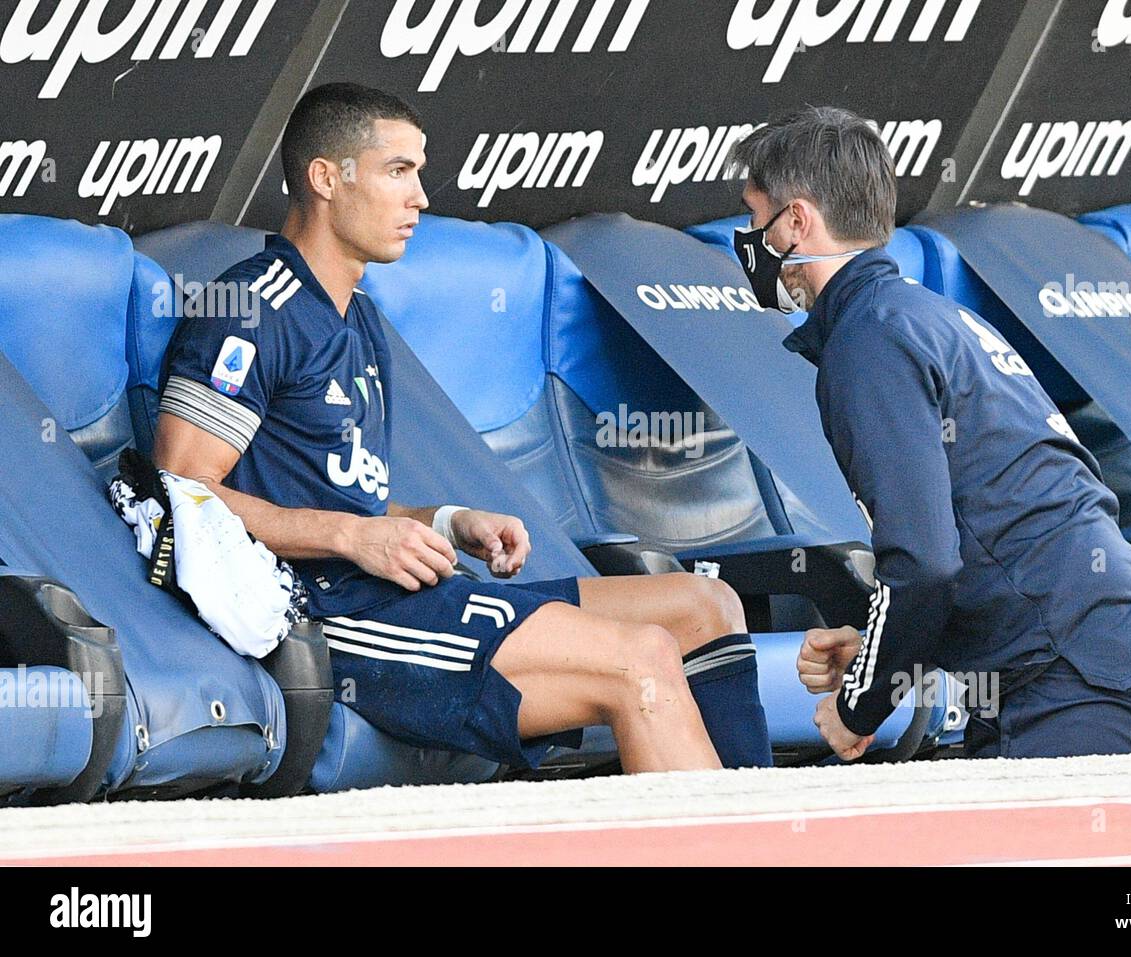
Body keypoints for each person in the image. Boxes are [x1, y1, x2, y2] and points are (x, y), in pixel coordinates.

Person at [152, 82, 771, 773]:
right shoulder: (250, 309)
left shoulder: (356, 316)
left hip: (406, 595)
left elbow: (335, 499)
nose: (419, 197)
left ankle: (770, 833)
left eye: (418, 173)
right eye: (398, 172)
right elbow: (181, 489)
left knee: (704, 605)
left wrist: (445, 521)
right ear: (326, 178)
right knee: (642, 659)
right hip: (336, 616)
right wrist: (354, 536)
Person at [728, 106, 1131, 760]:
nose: (749, 239)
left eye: (754, 216)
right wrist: (890, 649)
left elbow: (924, 562)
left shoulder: (869, 341)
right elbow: (992, 527)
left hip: (1068, 681)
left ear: (796, 221)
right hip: (1077, 667)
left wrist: (862, 702)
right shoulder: (926, 317)